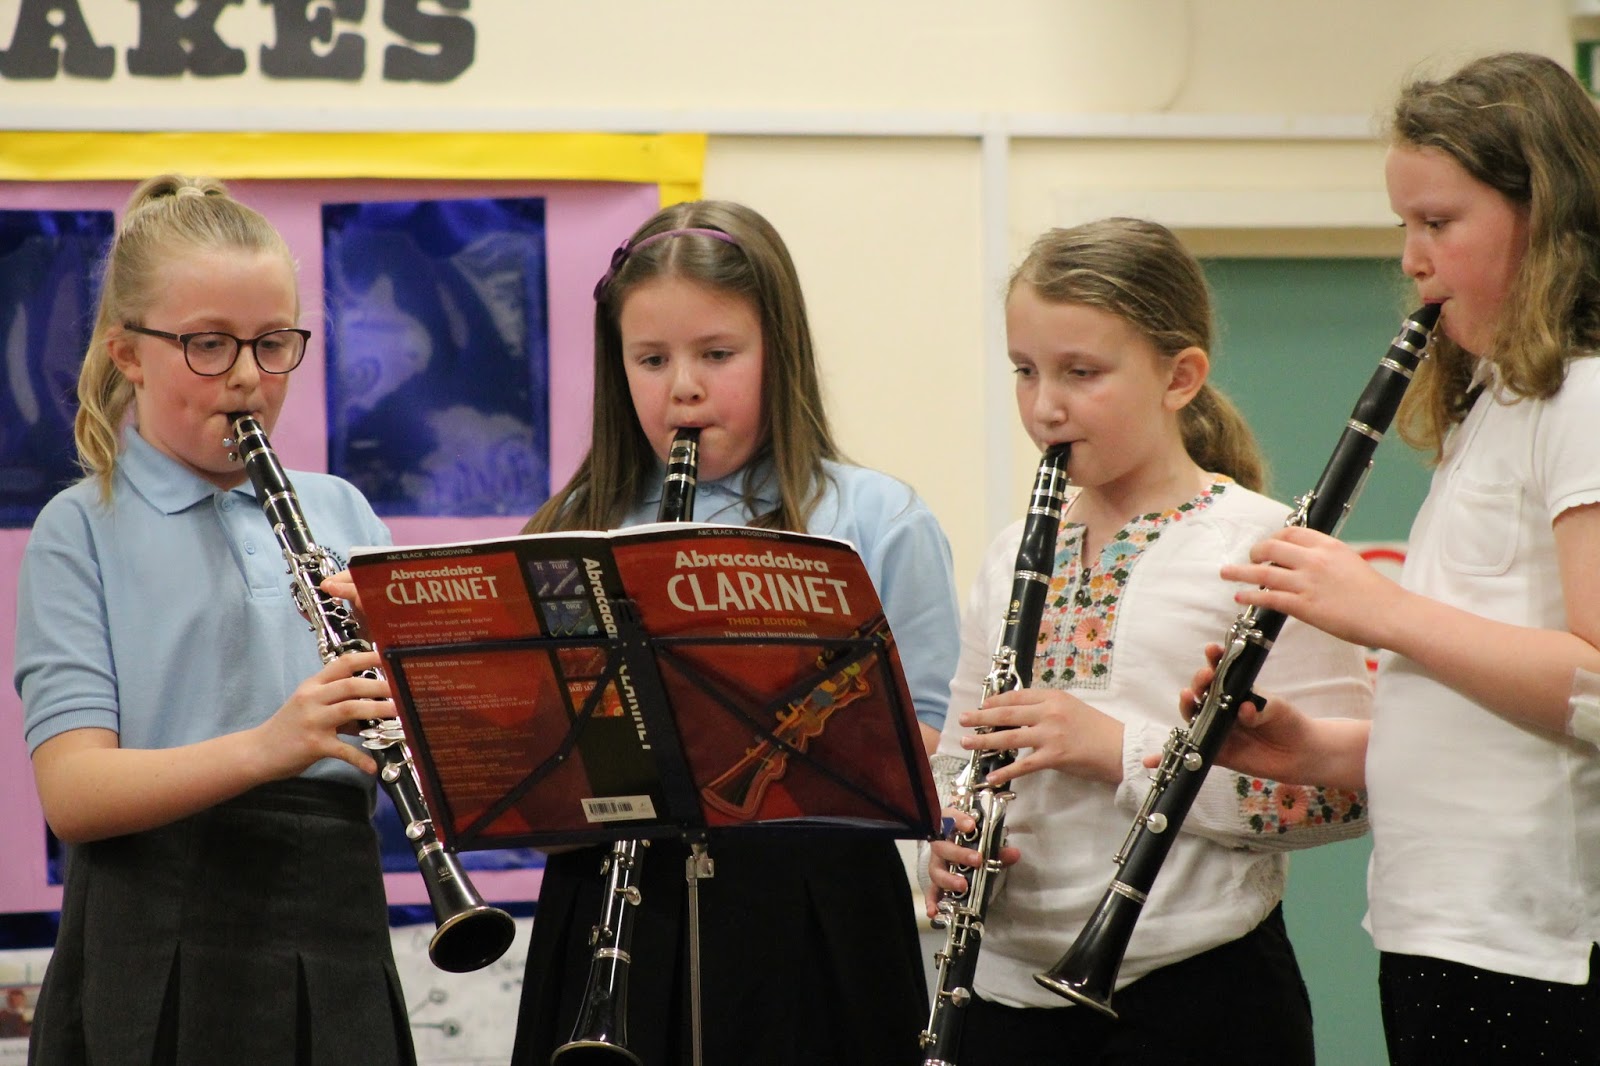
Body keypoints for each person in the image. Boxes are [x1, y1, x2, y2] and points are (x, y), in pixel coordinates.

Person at [1182, 51, 1600, 1065]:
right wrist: (1315, 750)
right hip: (1437, 923)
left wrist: (1374, 607)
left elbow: (1593, 685)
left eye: (1438, 223)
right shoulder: (1494, 400)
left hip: (1535, 944)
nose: (1410, 258)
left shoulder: (1584, 397)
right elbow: (1486, 712)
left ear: (1540, 214)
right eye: (1402, 224)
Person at [509, 200, 962, 1065]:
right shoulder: (571, 530)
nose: (683, 386)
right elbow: (533, 789)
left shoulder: (876, 518)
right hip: (611, 903)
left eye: (718, 355)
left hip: (815, 917)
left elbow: (929, 746)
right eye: (651, 359)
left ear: (777, 352)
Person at [925, 217, 1374, 1064]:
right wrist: (946, 837)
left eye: (1081, 373)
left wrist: (1117, 750)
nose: (1044, 405)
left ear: (1181, 377)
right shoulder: (1012, 553)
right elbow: (958, 754)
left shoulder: (1267, 547)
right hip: (1002, 1003)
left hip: (1197, 999)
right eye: (1025, 372)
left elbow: (1339, 798)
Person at [12, 175, 416, 1065]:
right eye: (207, 345)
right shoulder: (80, 529)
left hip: (333, 918)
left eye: (274, 344)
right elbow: (74, 795)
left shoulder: (342, 514)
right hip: (154, 932)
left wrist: (432, 709)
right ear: (127, 353)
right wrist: (273, 743)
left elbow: (420, 747)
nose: (246, 377)